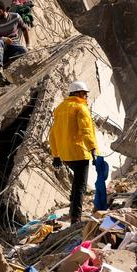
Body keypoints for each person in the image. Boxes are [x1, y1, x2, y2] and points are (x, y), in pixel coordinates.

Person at [49, 80, 98, 224]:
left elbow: (53, 134)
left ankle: (73, 211)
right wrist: (93, 149)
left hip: (65, 155)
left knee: (76, 184)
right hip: (79, 153)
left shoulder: (60, 108)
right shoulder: (80, 109)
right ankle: (75, 217)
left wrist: (56, 154)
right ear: (77, 93)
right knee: (80, 186)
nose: (86, 97)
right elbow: (86, 132)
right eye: (84, 94)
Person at [0, 0, 30, 71]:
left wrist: (28, 44)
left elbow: (24, 29)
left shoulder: (15, 16)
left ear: (3, 9)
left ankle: (8, 61)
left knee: (24, 51)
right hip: (3, 49)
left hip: (15, 46)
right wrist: (4, 39)